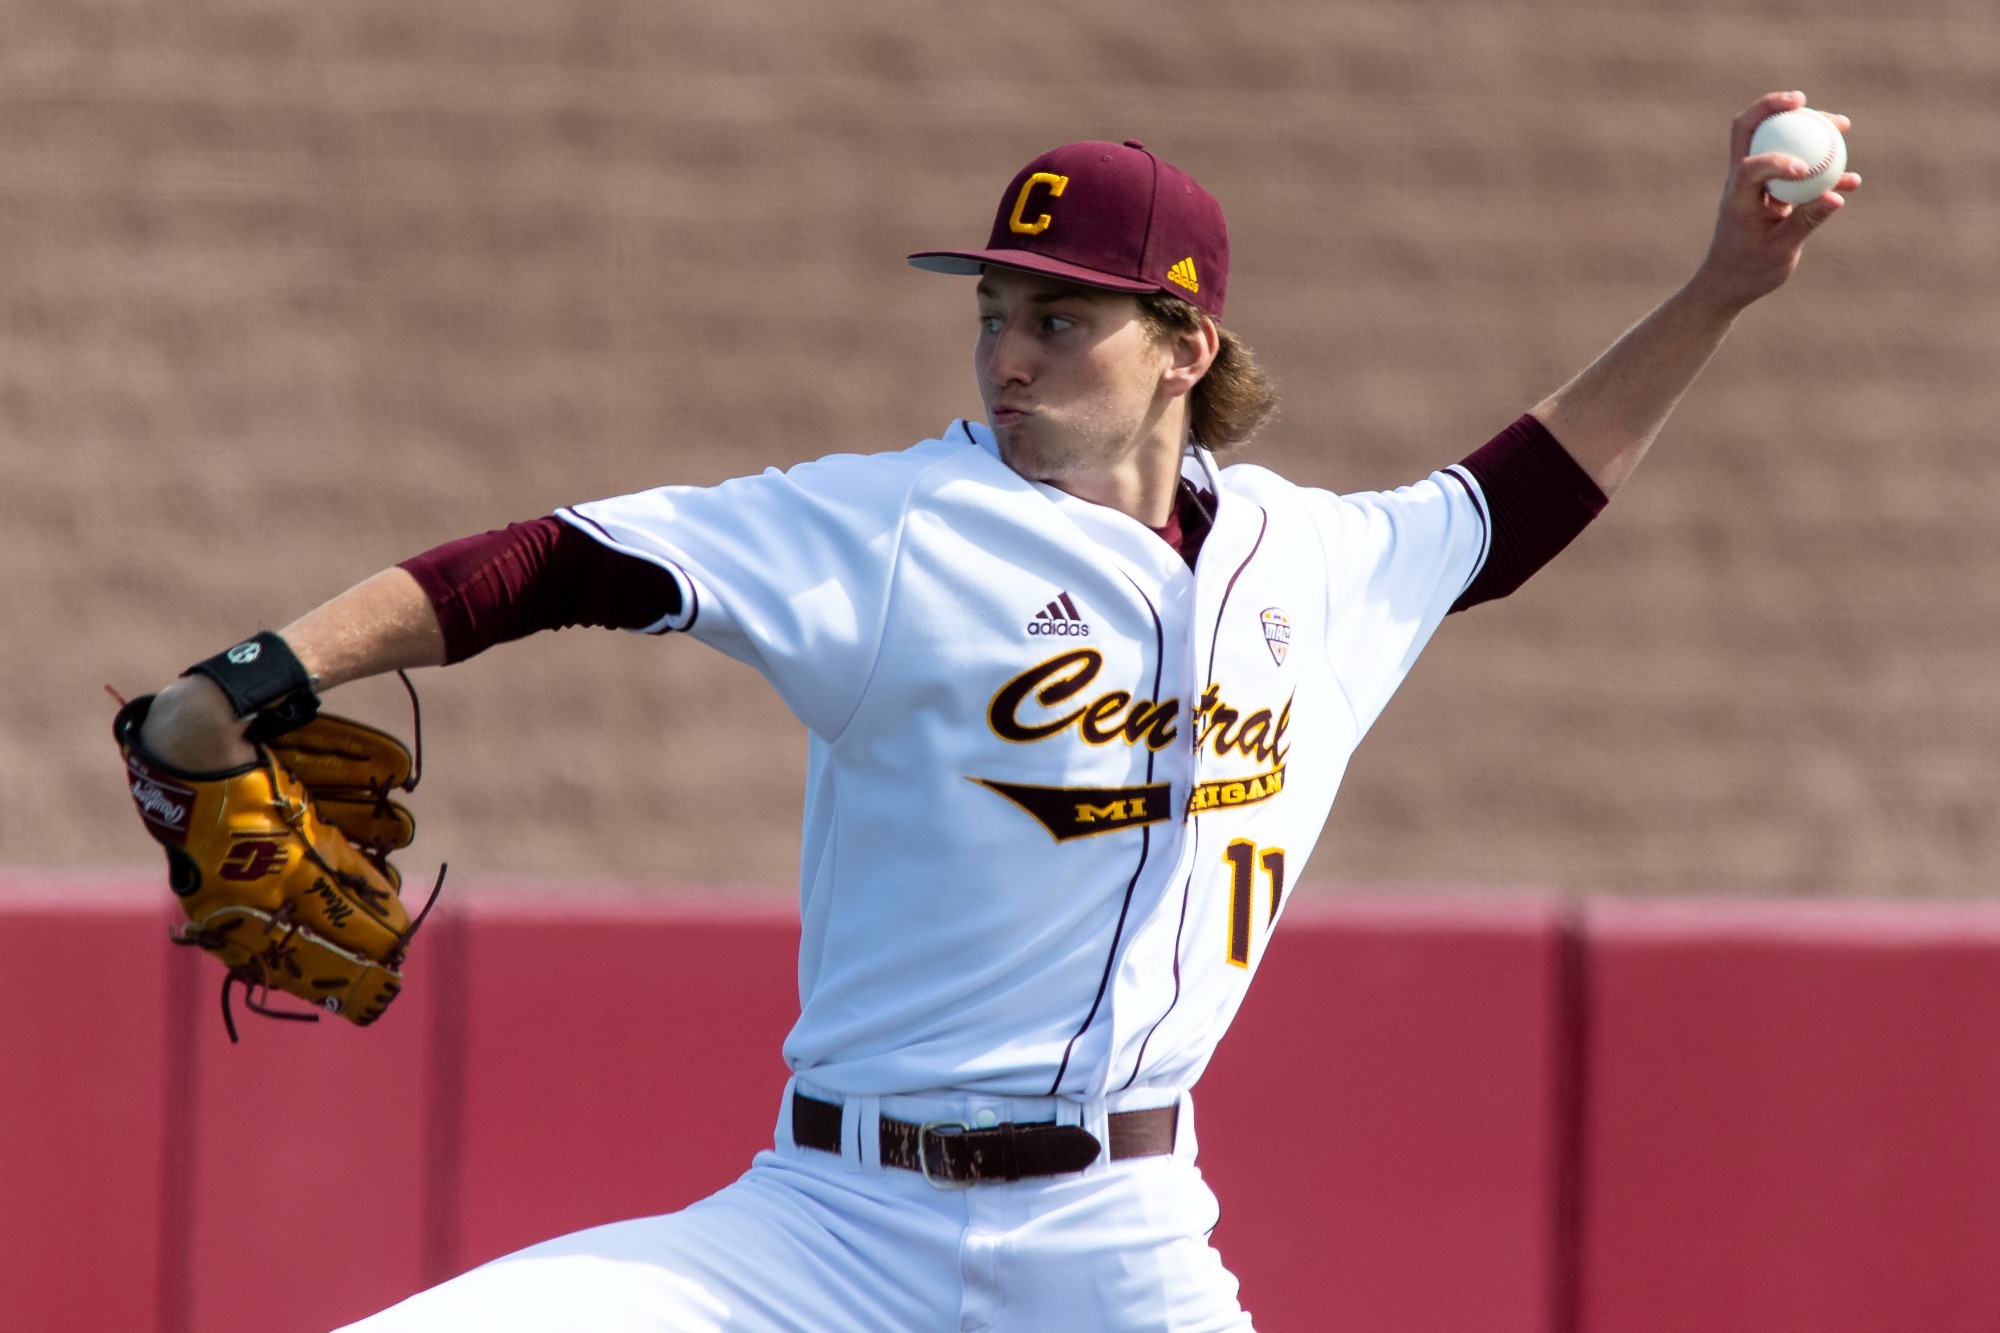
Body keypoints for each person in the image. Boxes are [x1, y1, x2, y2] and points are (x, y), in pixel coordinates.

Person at [132, 92, 1856, 1331]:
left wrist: (1721, 286)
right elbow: (556, 560)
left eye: (1059, 316)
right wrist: (253, 680)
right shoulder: (893, 526)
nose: (1008, 352)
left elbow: (1513, 504)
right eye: (993, 312)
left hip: (1122, 1245)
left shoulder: (1314, 563)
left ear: (1184, 345)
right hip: (824, 1232)